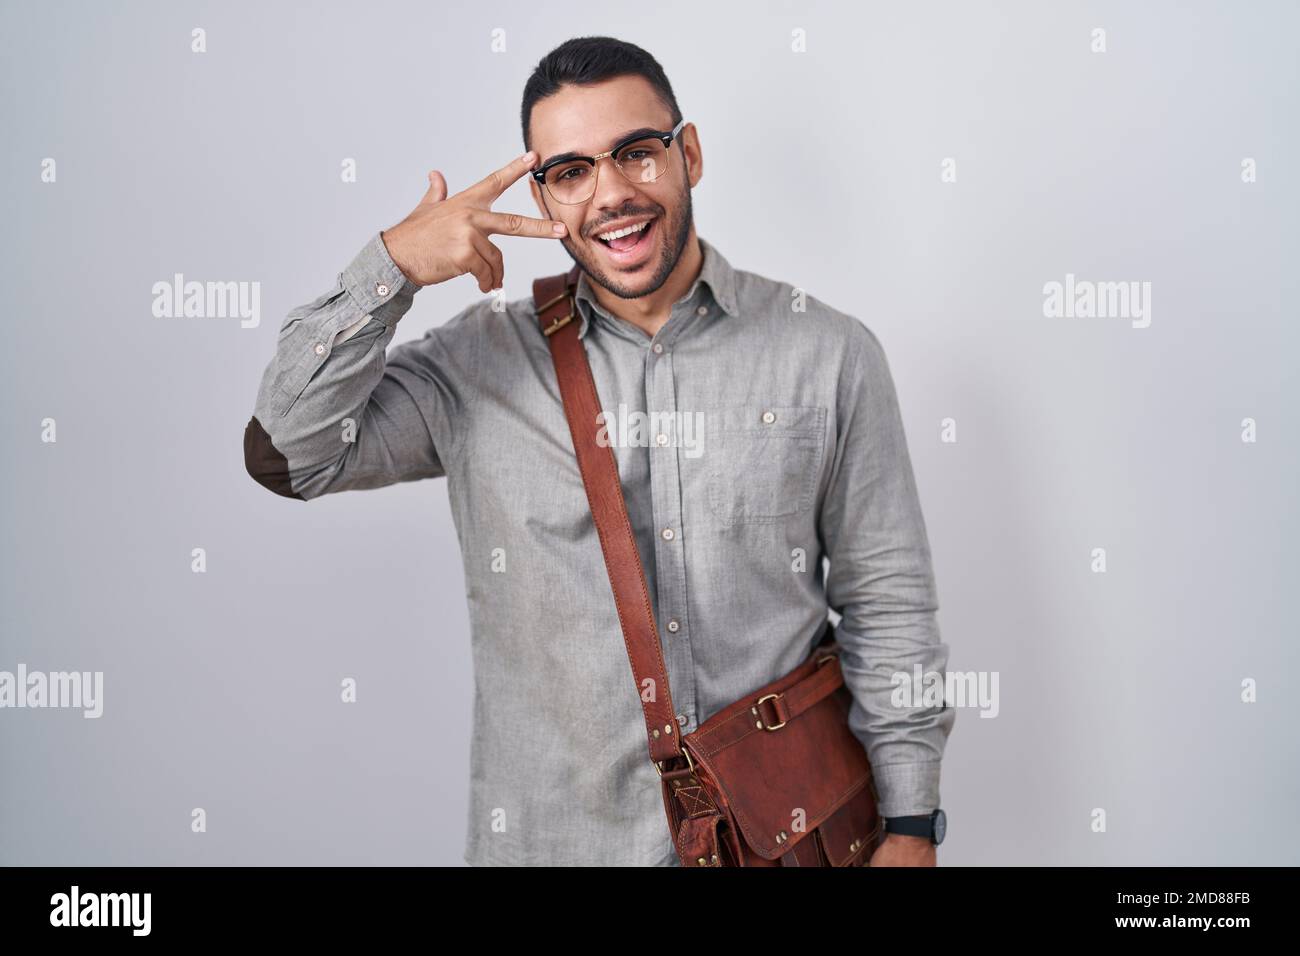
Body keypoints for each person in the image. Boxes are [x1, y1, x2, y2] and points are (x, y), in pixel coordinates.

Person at [244, 35, 954, 866]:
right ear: (545, 194)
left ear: (687, 153)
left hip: (791, 840)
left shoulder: (826, 352)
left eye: (637, 153)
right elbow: (291, 456)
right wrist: (392, 265)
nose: (612, 193)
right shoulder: (477, 366)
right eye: (573, 171)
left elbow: (889, 601)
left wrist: (911, 825)